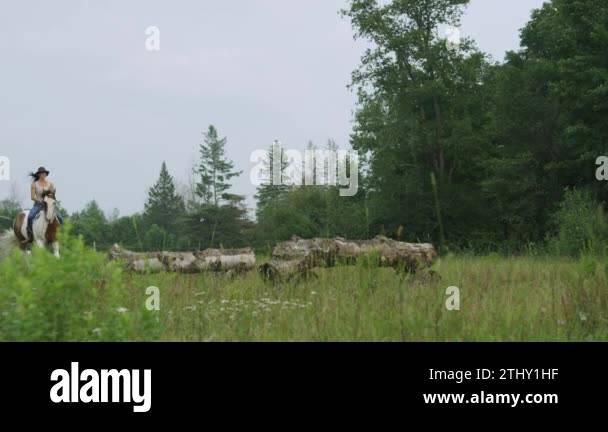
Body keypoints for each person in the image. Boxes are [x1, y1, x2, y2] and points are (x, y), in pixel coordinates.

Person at [25, 166, 63, 242]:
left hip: (49, 204)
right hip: (38, 204)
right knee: (30, 216)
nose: (43, 174)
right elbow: (32, 197)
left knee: (60, 217)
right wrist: (40, 200)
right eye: (41, 173)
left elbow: (52, 195)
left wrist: (50, 199)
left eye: (44, 173)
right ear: (38, 174)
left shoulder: (51, 184)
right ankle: (30, 233)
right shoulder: (34, 184)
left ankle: (59, 234)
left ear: (46, 174)